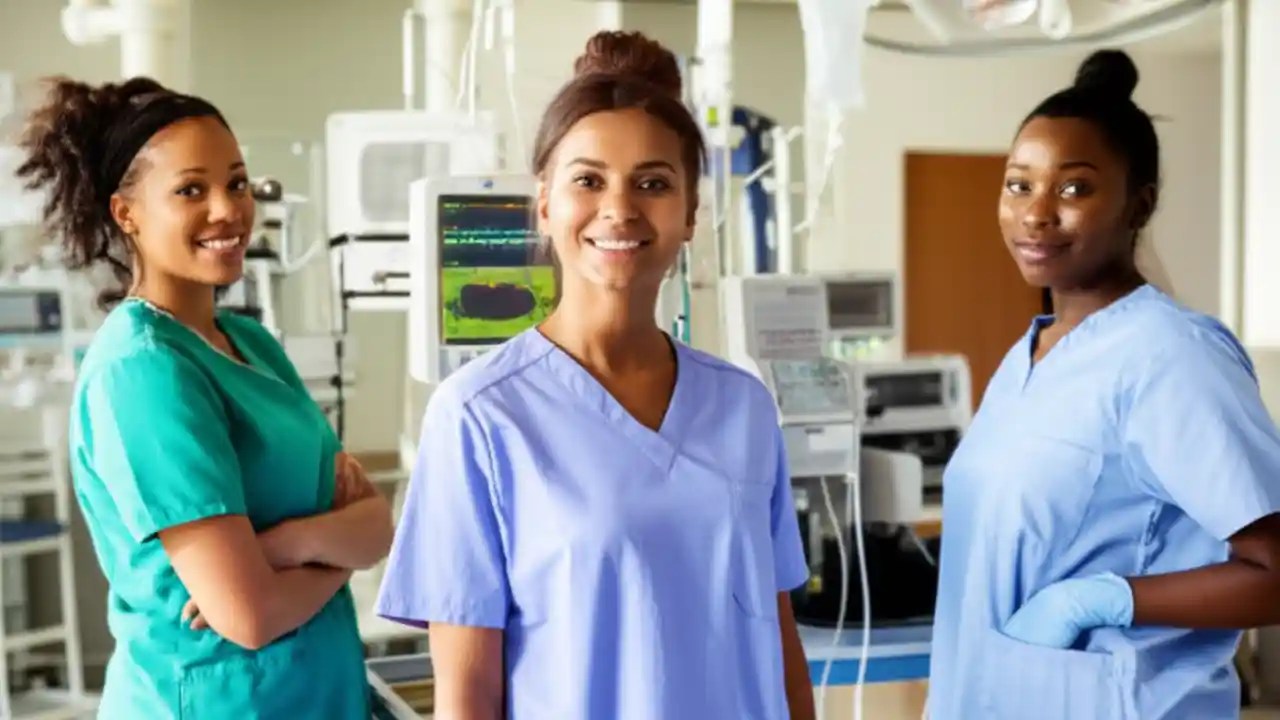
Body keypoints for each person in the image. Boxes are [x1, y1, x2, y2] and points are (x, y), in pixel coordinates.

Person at [374, 31, 816, 720]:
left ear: (692, 212)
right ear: (545, 202)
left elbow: (780, 645)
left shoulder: (743, 406)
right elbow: (467, 694)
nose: (620, 208)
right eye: (589, 180)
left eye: (653, 183)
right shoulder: (482, 416)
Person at [16, 76, 393, 718]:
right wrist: (333, 554)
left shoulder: (250, 342)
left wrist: (280, 547)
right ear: (125, 213)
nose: (228, 209)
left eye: (237, 183)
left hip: (317, 695)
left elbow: (377, 526)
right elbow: (248, 615)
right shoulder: (142, 370)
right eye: (192, 189)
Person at [926, 50, 1280, 720]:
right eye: (1018, 185)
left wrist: (1099, 598)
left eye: (1073, 188)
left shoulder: (1171, 355)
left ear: (1137, 205)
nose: (1035, 215)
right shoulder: (1026, 358)